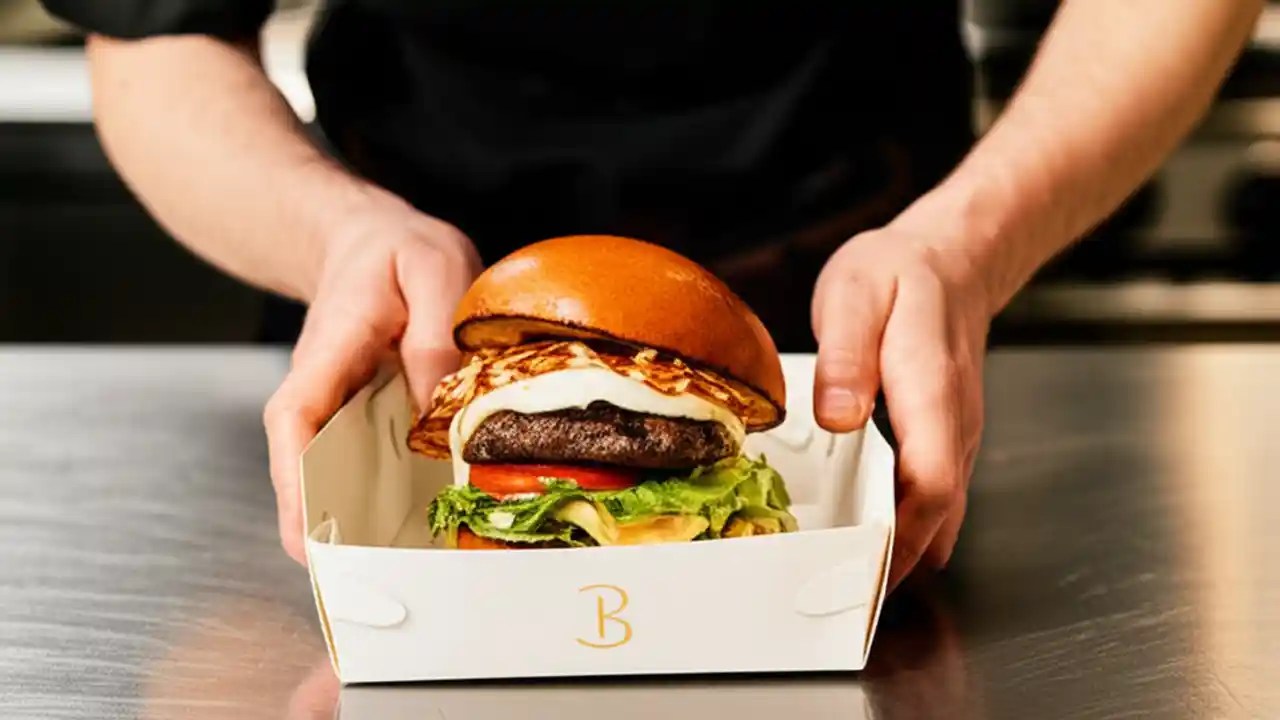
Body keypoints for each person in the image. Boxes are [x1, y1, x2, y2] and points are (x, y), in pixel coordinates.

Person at [41, 0, 1262, 589]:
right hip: (408, 326)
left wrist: (971, 238)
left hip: (873, 310)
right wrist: (333, 233)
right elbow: (152, 33)